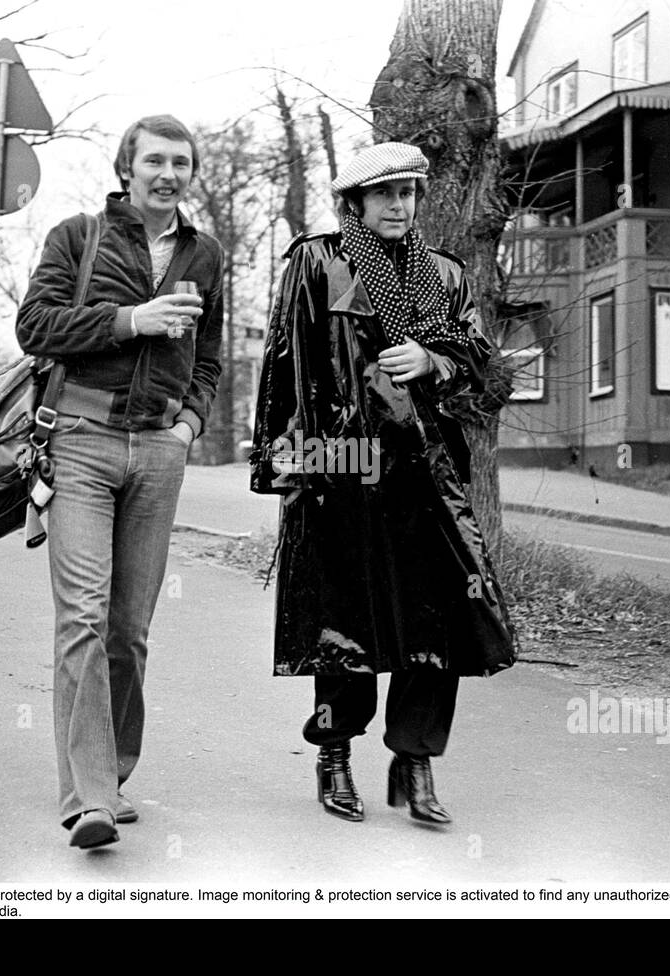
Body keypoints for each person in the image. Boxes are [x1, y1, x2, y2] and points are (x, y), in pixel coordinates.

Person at [250, 142, 516, 826]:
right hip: (342, 466)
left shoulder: (446, 275)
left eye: (410, 193)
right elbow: (284, 361)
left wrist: (432, 359)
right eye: (386, 194)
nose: (401, 206)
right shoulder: (318, 260)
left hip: (428, 470)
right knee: (345, 617)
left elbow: (482, 364)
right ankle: (334, 750)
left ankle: (415, 758)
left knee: (439, 618)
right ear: (356, 203)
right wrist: (283, 462)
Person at [16, 114, 224, 850]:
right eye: (155, 161)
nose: (169, 174)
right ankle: (90, 795)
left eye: (182, 163)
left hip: (158, 449)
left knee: (129, 630)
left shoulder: (205, 254)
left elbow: (209, 359)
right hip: (78, 439)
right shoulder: (78, 236)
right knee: (82, 616)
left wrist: (190, 425)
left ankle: (113, 770)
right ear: (127, 168)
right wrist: (131, 319)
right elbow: (34, 326)